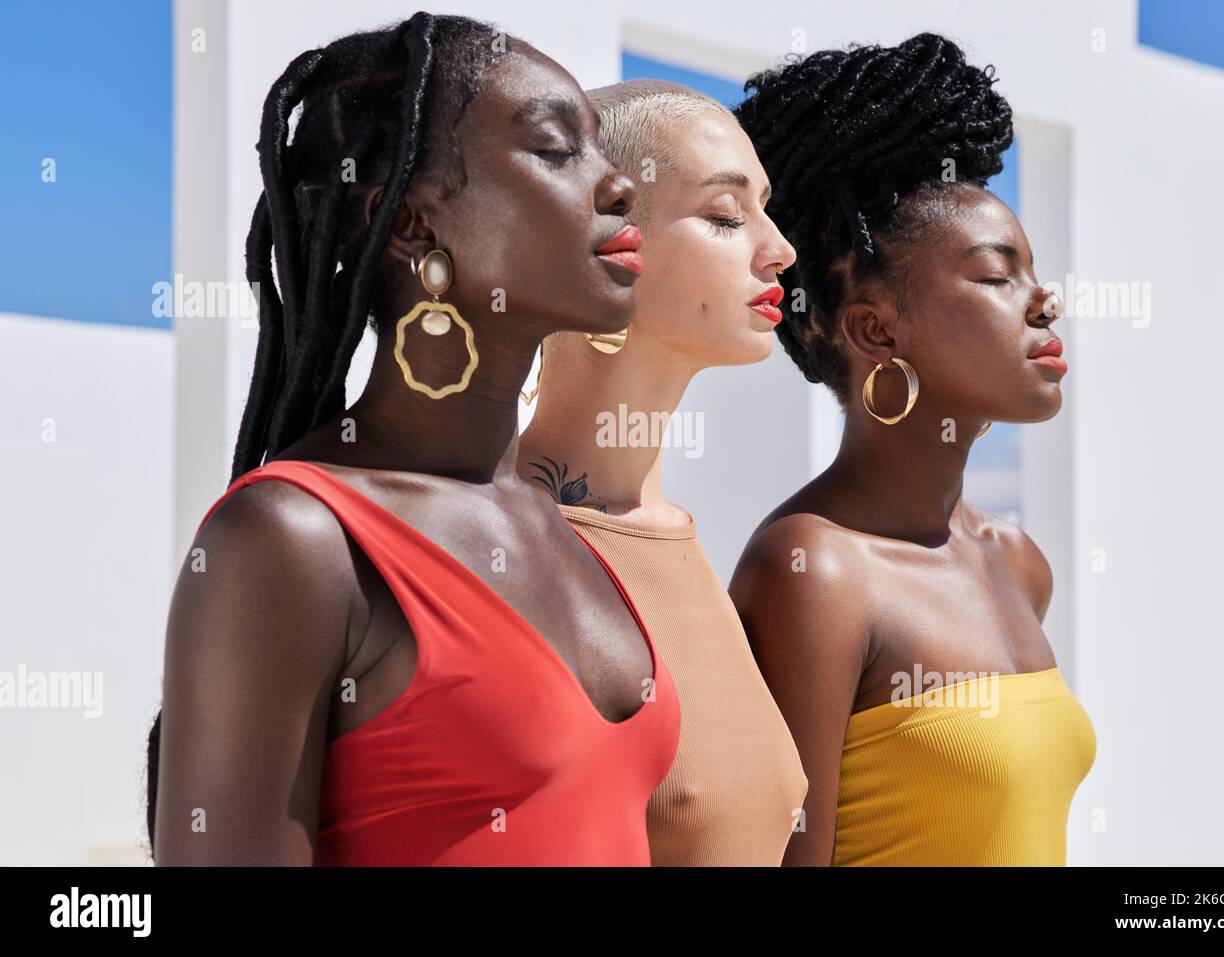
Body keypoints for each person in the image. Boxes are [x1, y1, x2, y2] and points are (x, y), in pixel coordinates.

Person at [147, 12, 679, 866]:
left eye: (605, 155)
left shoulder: (556, 524)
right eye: (554, 148)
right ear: (410, 224)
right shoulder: (294, 539)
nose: (618, 187)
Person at [730, 34, 1096, 866]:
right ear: (876, 328)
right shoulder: (812, 573)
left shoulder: (1018, 564)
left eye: (1032, 272)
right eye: (998, 276)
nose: (1046, 301)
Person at [517, 79, 806, 865]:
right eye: (724, 214)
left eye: (767, 208)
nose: (779, 247)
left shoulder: (680, 544)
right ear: (608, 238)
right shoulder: (499, 548)